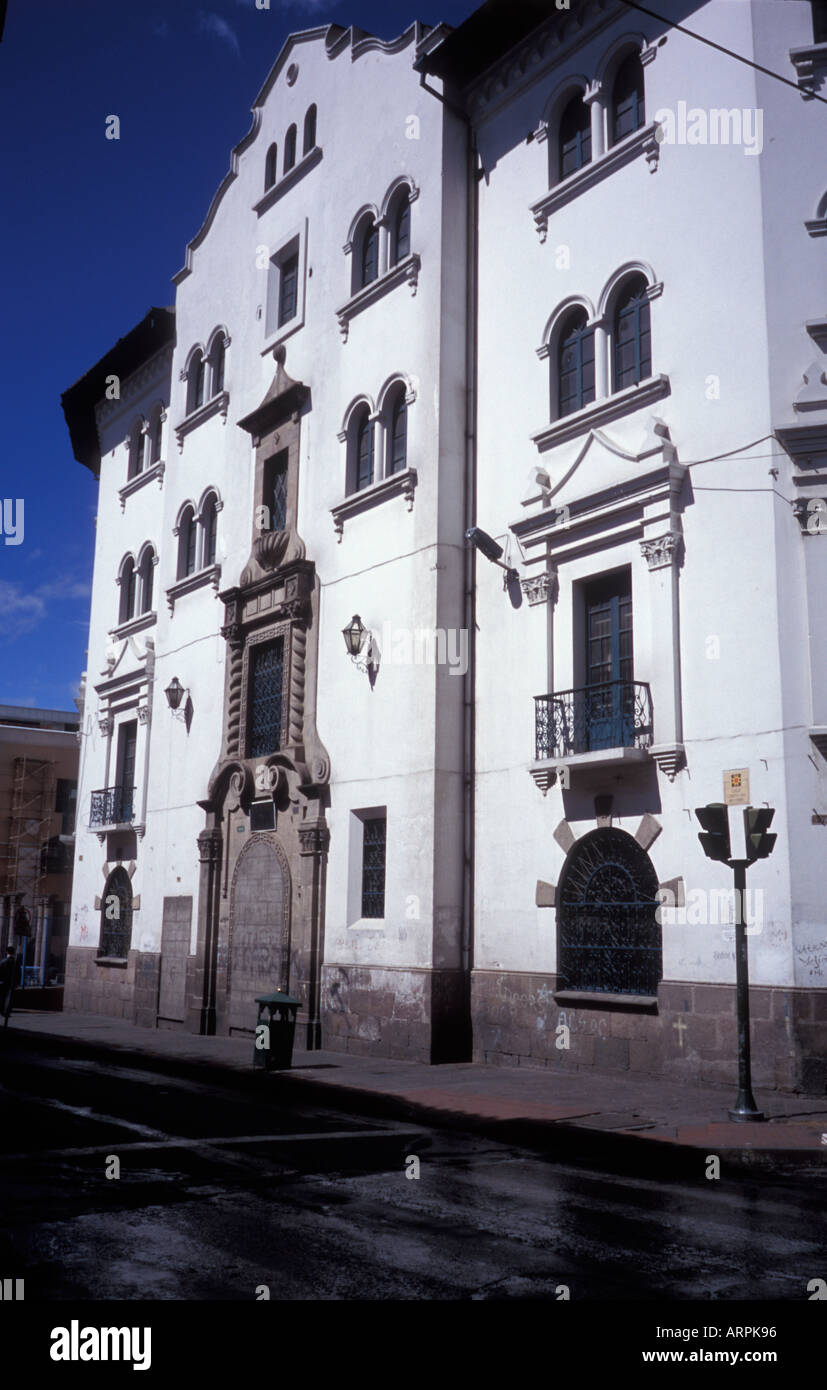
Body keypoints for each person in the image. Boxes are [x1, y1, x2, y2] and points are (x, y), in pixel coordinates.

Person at [0, 947, 21, 1027]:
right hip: (12, 983)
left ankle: (2, 1010)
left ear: (6, 952)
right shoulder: (16, 962)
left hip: (3, 982)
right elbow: (19, 973)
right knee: (10, 997)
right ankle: (7, 1011)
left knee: (2, 996)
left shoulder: (3, 961)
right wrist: (17, 982)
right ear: (14, 952)